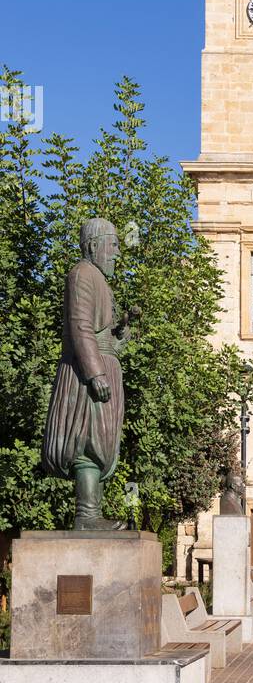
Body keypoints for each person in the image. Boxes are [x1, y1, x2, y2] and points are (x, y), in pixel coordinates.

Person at [42, 219, 130, 530]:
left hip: (103, 367)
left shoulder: (98, 279)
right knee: (89, 442)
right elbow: (80, 327)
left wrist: (120, 334)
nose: (117, 252)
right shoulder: (81, 274)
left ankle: (92, 514)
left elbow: (100, 333)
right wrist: (95, 373)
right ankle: (87, 516)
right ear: (94, 246)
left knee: (101, 442)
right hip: (86, 374)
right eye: (113, 244)